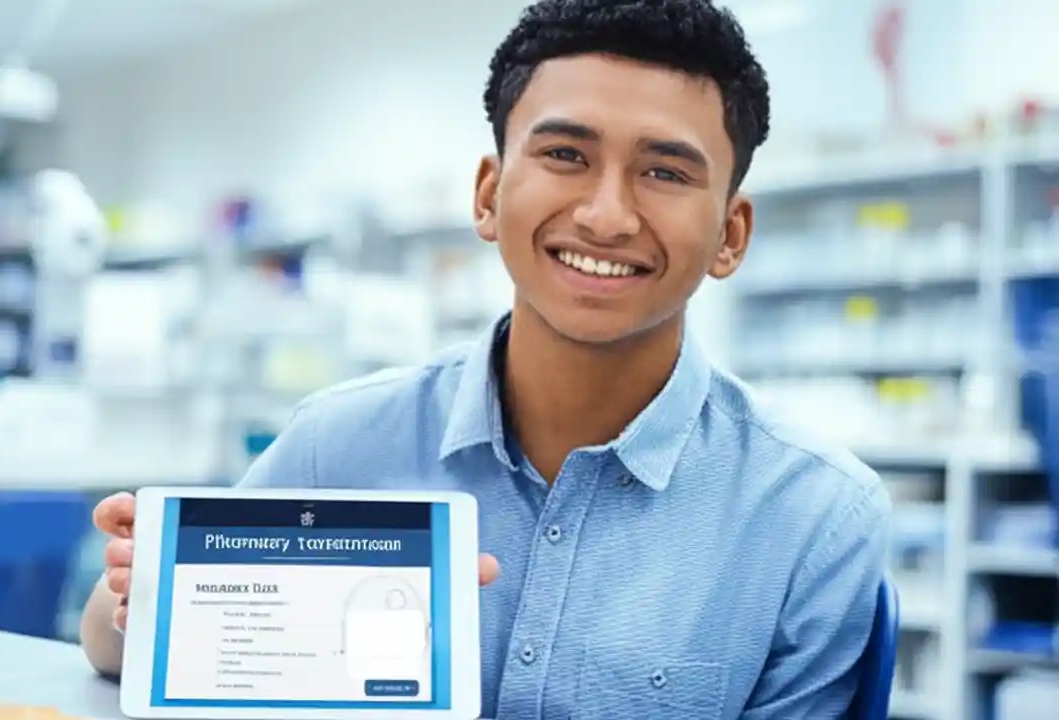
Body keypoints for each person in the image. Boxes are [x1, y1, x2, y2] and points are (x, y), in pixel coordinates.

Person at [81, 0, 892, 717]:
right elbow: (117, 649)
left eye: (664, 171)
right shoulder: (340, 442)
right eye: (566, 155)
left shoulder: (813, 518)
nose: (607, 215)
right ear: (487, 195)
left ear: (732, 234)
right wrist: (147, 590)